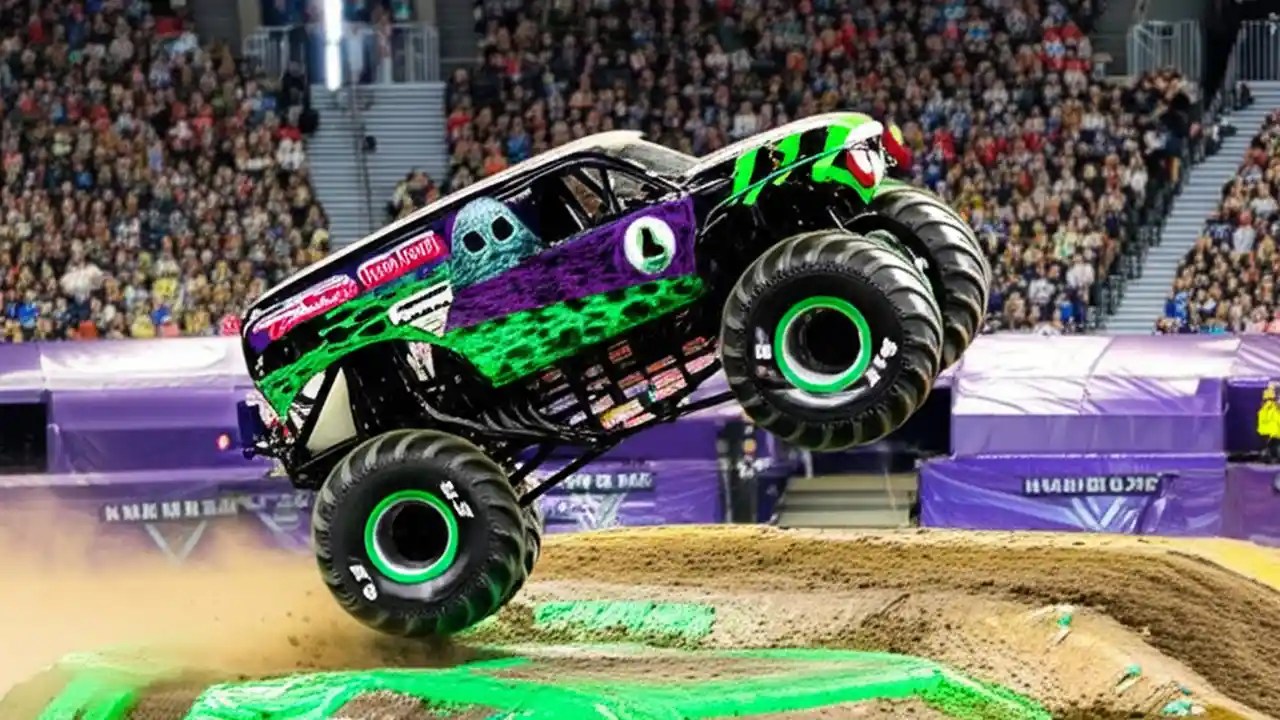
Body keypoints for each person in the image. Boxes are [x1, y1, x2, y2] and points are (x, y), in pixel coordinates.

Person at [1257, 384, 1280, 461]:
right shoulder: (1269, 407)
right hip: (1273, 433)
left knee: (1273, 444)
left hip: (1272, 432)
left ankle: (1271, 454)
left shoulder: (1267, 408)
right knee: (1273, 444)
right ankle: (1271, 455)